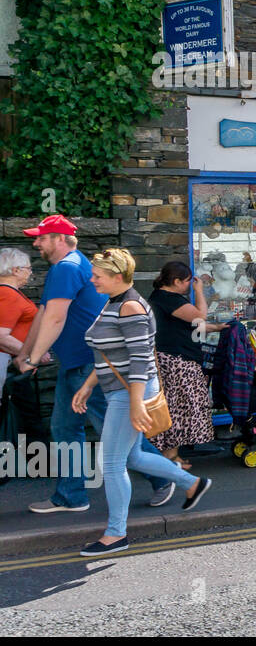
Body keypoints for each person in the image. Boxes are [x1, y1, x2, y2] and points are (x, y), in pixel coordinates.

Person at [16, 216, 175, 513]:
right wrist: (25, 353)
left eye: (41, 237)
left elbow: (55, 318)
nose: (36, 243)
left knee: (116, 435)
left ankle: (165, 478)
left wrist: (33, 358)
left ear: (59, 239)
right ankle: (71, 496)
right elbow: (43, 314)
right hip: (77, 364)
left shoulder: (67, 268)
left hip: (94, 366)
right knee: (65, 428)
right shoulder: (67, 267)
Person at [72, 248, 210, 556]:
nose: (92, 280)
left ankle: (116, 534)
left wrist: (135, 404)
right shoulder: (115, 302)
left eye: (98, 276)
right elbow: (112, 354)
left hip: (129, 394)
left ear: (117, 277)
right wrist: (87, 385)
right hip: (121, 391)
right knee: (131, 458)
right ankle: (192, 483)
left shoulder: (131, 307)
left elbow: (139, 360)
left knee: (111, 463)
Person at [147, 261, 221, 467]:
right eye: (188, 281)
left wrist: (216, 328)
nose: (190, 284)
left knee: (179, 407)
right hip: (177, 361)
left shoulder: (163, 299)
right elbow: (200, 316)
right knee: (179, 408)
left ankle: (172, 455)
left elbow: (189, 325)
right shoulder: (168, 299)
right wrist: (199, 291)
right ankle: (169, 458)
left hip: (175, 359)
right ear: (176, 281)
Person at [0, 248, 38, 380]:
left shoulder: (9, 293)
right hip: (6, 363)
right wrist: (31, 355)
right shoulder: (8, 294)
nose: (30, 272)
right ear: (16, 270)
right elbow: (1, 336)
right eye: (28, 268)